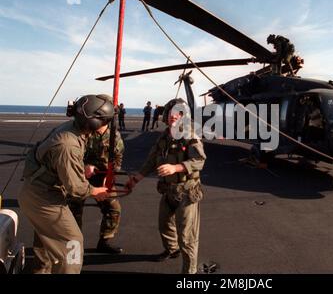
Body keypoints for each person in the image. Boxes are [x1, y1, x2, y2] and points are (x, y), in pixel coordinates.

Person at [18, 94, 112, 274]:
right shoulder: (69, 144)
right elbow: (75, 188)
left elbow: (55, 160)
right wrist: (95, 191)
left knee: (47, 240)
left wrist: (81, 167)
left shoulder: (71, 128)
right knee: (73, 242)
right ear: (93, 122)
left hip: (37, 191)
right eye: (104, 122)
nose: (106, 126)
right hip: (43, 197)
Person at [126, 98, 206, 274]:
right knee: (164, 225)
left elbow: (199, 161)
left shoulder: (189, 134)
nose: (173, 116)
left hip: (186, 192)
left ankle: (189, 273)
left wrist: (175, 167)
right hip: (168, 191)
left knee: (187, 237)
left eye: (178, 113)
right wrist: (136, 178)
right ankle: (172, 249)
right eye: (171, 113)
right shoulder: (165, 136)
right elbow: (151, 160)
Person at [68, 114, 125, 254]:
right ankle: (74, 244)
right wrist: (85, 166)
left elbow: (118, 158)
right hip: (80, 176)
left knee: (113, 208)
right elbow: (72, 155)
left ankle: (104, 241)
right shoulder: (85, 132)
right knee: (73, 210)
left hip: (102, 178)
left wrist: (107, 171)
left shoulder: (114, 136)